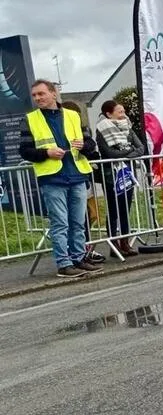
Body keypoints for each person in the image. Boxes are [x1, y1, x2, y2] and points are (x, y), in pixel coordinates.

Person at [18, 80, 98, 277]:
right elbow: (24, 151)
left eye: (41, 94)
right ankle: (64, 263)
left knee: (78, 222)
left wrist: (83, 146)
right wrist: (46, 153)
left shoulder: (73, 116)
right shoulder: (30, 119)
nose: (38, 98)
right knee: (60, 223)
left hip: (77, 174)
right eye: (35, 95)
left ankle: (79, 258)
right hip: (52, 178)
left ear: (54, 94)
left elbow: (90, 144)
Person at [95, 100, 146, 257]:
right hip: (111, 174)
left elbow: (141, 148)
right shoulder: (102, 131)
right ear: (109, 114)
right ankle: (113, 243)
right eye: (120, 112)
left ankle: (125, 241)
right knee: (113, 208)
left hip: (127, 172)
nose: (123, 115)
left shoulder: (127, 128)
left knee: (125, 208)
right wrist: (129, 152)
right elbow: (109, 153)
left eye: (124, 111)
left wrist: (127, 153)